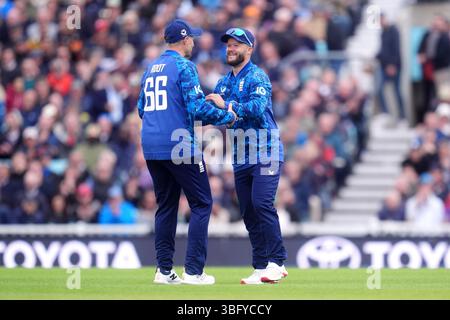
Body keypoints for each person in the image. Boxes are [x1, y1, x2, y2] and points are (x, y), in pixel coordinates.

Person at [137, 19, 236, 285]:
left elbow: (141, 109)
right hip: (179, 144)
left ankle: (163, 270)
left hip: (151, 145)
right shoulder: (184, 66)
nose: (193, 41)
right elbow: (197, 110)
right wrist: (226, 115)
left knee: (166, 206)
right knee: (202, 202)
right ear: (183, 40)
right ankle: (193, 271)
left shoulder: (150, 69)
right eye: (191, 37)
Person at [206, 27, 288, 284]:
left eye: (237, 45)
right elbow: (217, 114)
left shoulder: (258, 77)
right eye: (228, 45)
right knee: (249, 212)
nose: (231, 48)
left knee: (262, 203)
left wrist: (226, 106)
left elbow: (256, 107)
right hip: (241, 155)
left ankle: (277, 262)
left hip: (266, 150)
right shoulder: (223, 82)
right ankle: (261, 266)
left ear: (249, 49)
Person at [376, 14, 405, 121]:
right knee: (381, 90)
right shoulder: (383, 32)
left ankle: (402, 115)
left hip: (393, 66)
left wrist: (392, 65)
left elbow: (396, 49)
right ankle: (387, 113)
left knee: (397, 91)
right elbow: (383, 50)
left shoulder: (394, 30)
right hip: (384, 66)